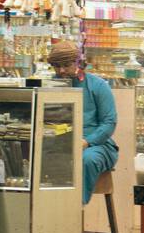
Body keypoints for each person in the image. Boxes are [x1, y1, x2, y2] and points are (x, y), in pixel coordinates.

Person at [46, 39, 118, 205]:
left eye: (66, 65)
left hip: (96, 144)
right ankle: (48, 208)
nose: (62, 71)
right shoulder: (50, 85)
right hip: (60, 142)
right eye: (57, 66)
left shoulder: (98, 85)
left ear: (78, 62)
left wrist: (87, 141)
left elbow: (109, 122)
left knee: (87, 160)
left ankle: (76, 207)